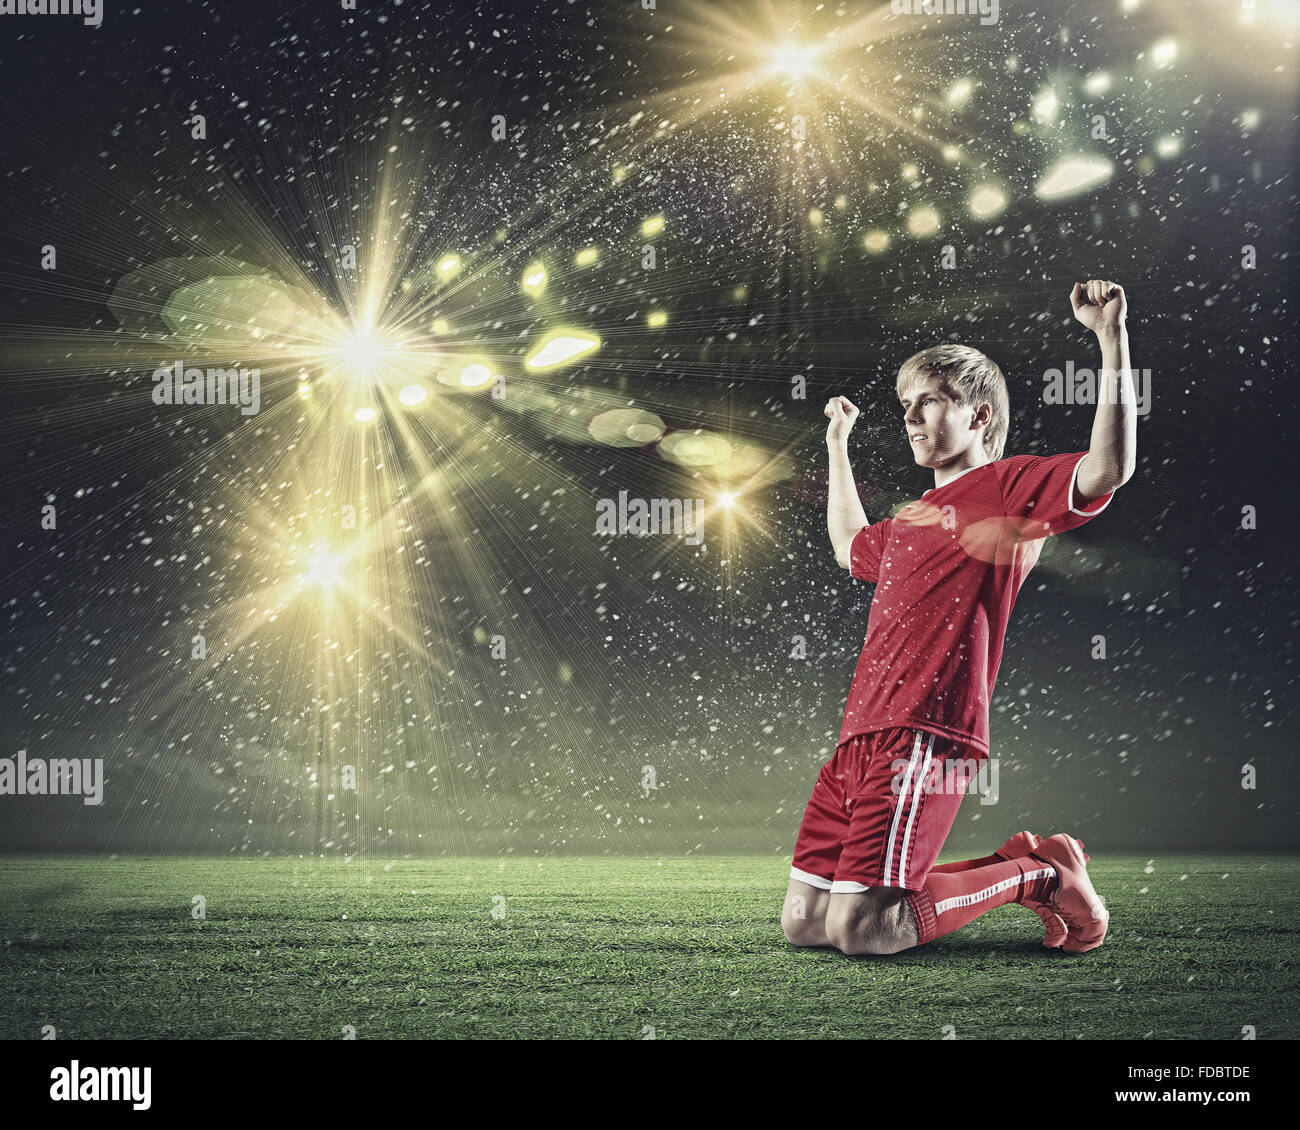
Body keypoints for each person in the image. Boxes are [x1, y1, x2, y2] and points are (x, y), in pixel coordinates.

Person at [783, 280, 1136, 956]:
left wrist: (1109, 337)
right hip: (859, 737)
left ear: (978, 416)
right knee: (805, 923)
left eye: (931, 401)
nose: (913, 417)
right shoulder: (907, 521)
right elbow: (845, 546)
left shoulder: (1006, 491)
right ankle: (1039, 864)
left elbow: (1107, 469)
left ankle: (1038, 874)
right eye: (906, 404)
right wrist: (838, 443)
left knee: (861, 933)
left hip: (926, 733)